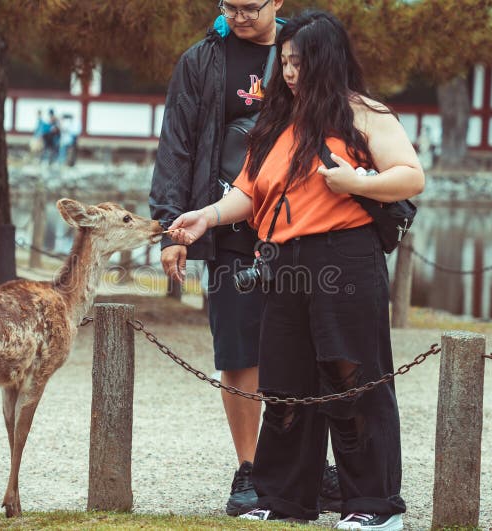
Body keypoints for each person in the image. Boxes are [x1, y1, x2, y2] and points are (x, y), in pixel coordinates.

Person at [167, 10, 424, 530]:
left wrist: (356, 184)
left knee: (351, 377)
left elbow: (410, 176)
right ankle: (285, 500)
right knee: (285, 385)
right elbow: (248, 191)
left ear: (325, 60)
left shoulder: (364, 113)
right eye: (283, 61)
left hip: (346, 258)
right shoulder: (276, 122)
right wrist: (205, 217)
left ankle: (373, 507)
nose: (288, 72)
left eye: (299, 62)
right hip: (283, 261)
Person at [150, 0, 342, 517]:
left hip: (302, 225)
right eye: (228, 5)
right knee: (238, 353)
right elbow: (177, 145)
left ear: (276, 1)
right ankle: (250, 468)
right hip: (230, 223)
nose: (238, 15)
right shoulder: (202, 61)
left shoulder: (304, 49)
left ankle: (306, 467)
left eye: (250, 6)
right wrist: (172, 227)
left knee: (310, 349)